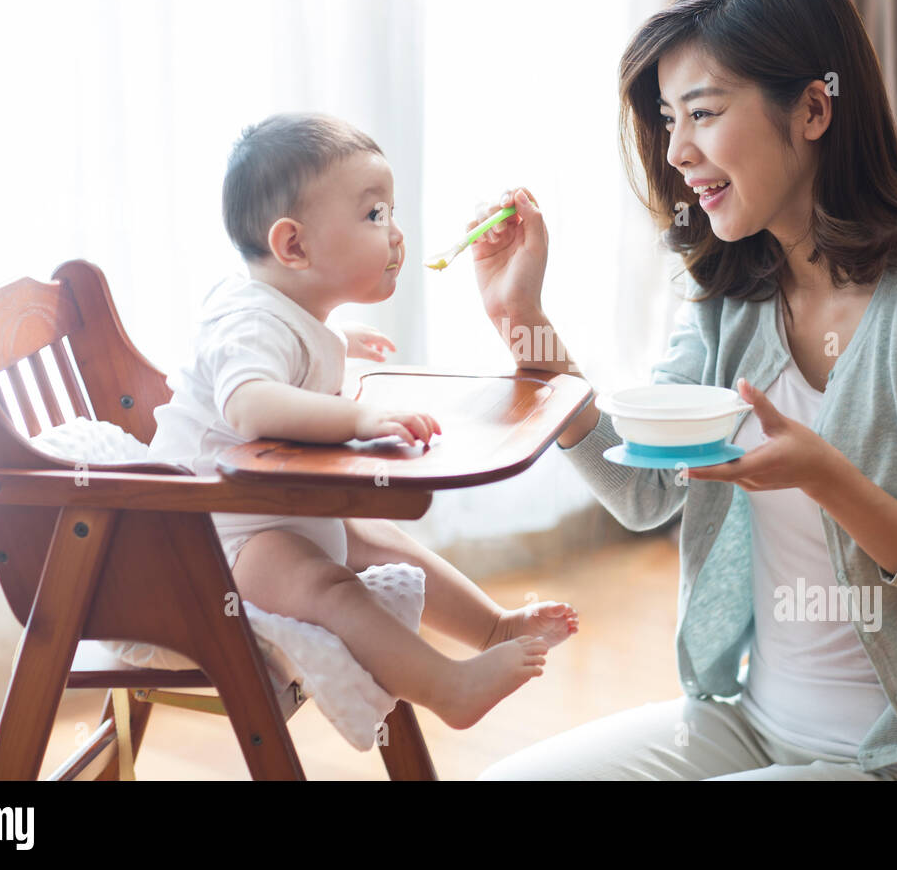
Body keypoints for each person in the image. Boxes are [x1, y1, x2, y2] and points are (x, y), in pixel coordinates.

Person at [472, 0, 897, 779]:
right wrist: (524, 323)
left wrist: (828, 478)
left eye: (702, 112)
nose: (675, 152)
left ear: (814, 109)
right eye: (668, 119)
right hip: (750, 726)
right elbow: (640, 489)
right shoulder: (728, 295)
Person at [147, 112, 578, 730]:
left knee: (377, 538)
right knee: (330, 588)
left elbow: (277, 360)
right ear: (293, 245)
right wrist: (361, 417)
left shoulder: (279, 314)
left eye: (392, 213)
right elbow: (251, 404)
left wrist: (335, 342)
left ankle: (491, 627)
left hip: (266, 512)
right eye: (375, 215)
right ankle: (447, 689)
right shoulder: (249, 323)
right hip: (210, 544)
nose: (396, 234)